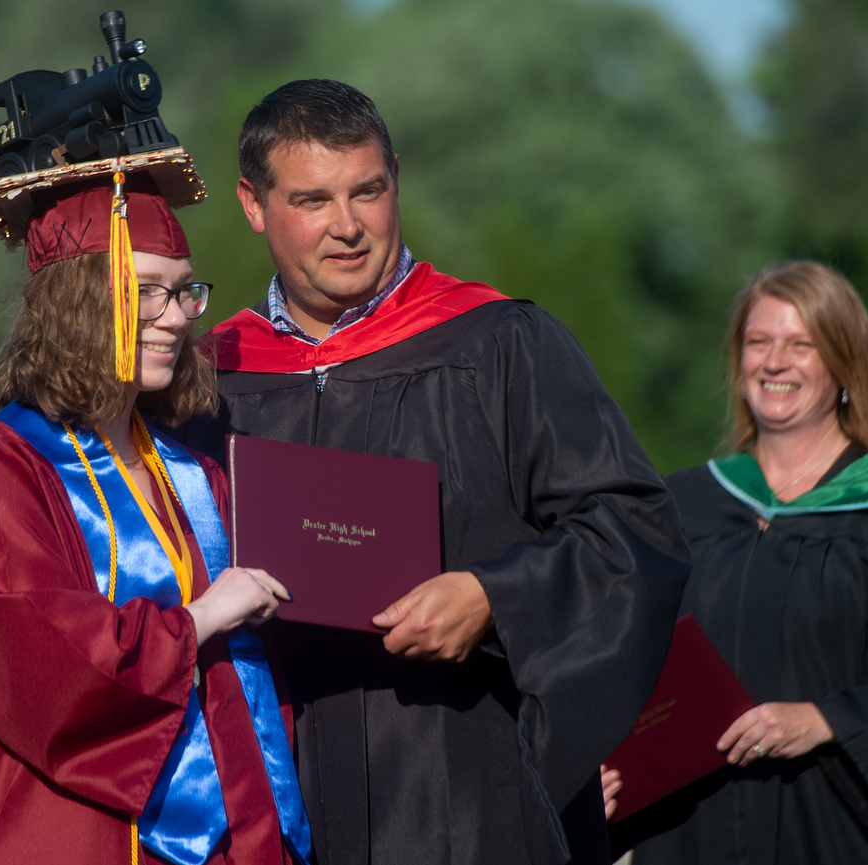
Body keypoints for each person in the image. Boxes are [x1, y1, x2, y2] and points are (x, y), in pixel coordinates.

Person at [174, 79, 692, 865]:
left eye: (369, 191)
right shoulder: (213, 383)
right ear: (254, 205)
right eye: (313, 200)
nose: (347, 227)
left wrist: (496, 596)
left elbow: (634, 531)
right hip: (279, 808)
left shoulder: (497, 344)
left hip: (469, 795)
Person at [0, 173, 312, 865]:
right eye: (145, 290)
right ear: (77, 304)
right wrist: (200, 618)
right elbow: (44, 658)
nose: (177, 314)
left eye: (184, 289)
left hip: (228, 828)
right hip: (79, 829)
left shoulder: (190, 472)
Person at [610, 261, 868, 864]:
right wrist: (608, 764)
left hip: (834, 831)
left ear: (844, 365)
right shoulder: (682, 508)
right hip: (695, 832)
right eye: (758, 343)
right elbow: (619, 657)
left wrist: (826, 719)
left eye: (801, 345)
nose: (774, 363)